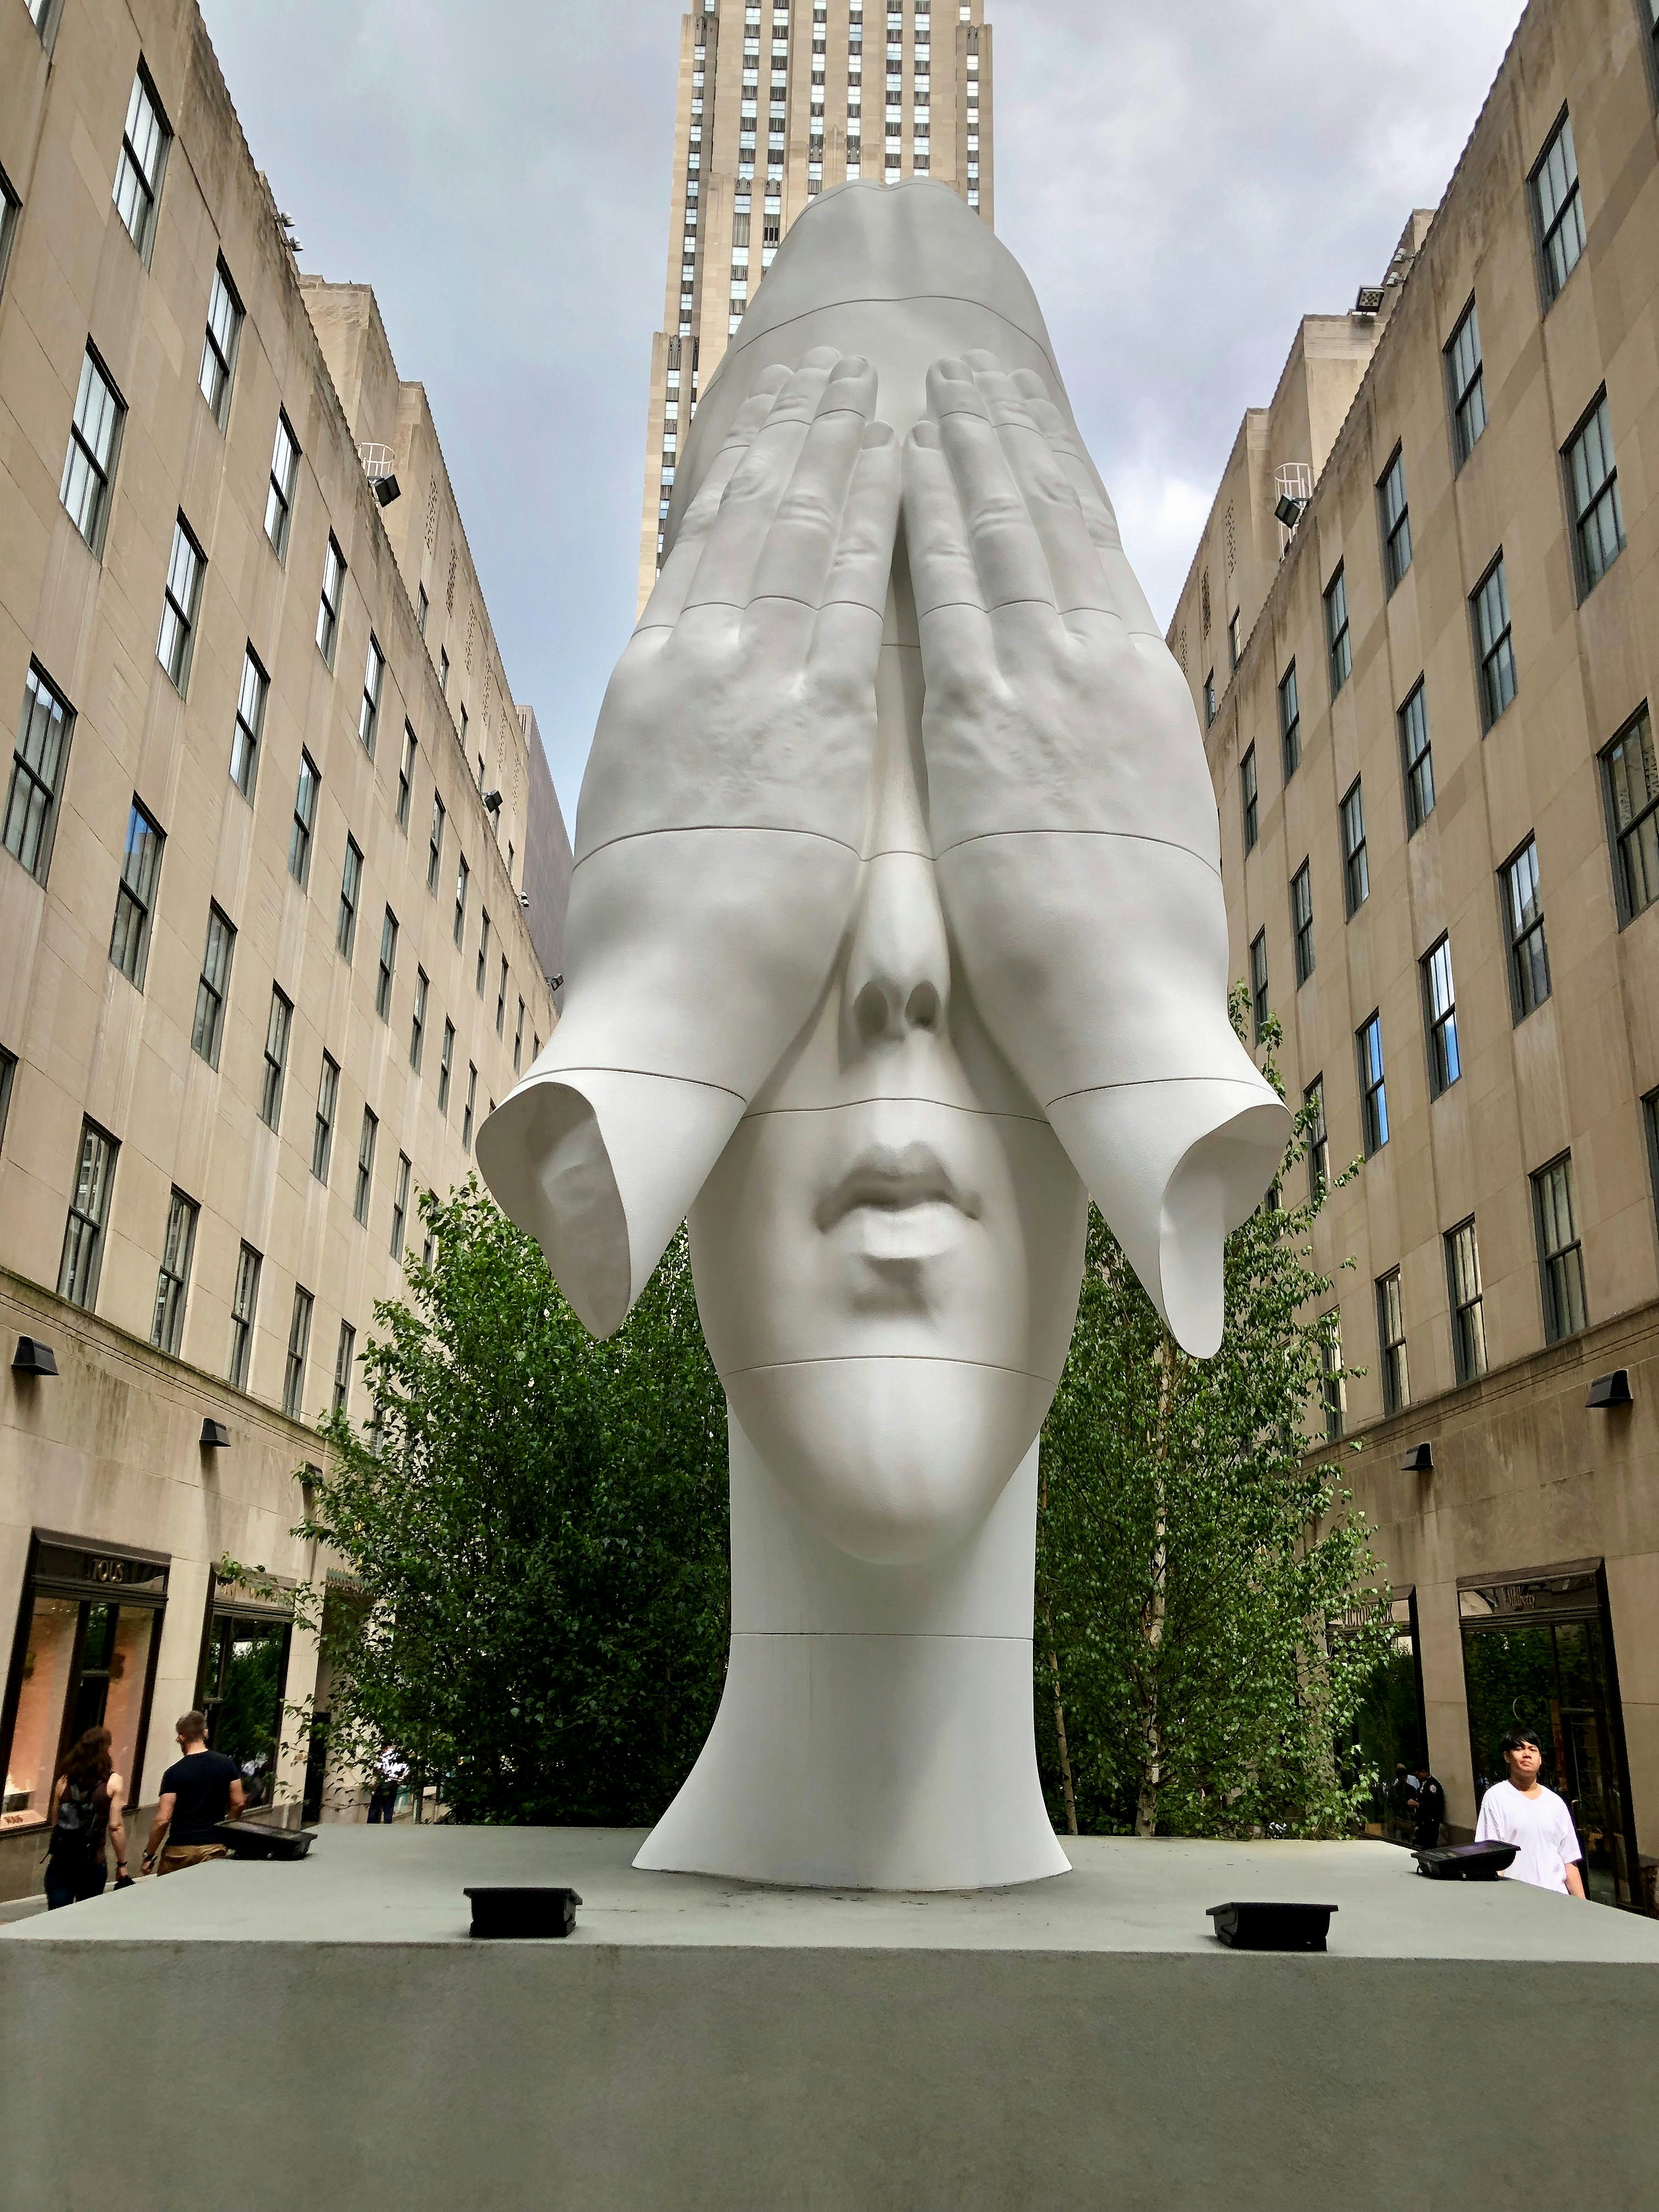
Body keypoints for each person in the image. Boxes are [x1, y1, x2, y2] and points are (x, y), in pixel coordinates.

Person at [1474, 1726, 1587, 1899]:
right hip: (1518, 1900)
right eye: (1519, 1749)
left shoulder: (1555, 1803)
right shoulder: (1496, 1798)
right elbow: (1492, 1860)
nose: (1527, 1754)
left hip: (1558, 1899)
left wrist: (1583, 1906)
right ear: (1507, 1756)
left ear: (1540, 1759)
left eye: (1532, 1749)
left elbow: (1568, 1861)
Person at [141, 1711, 245, 1878]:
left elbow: (163, 1820)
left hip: (179, 1851)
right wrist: (225, 1831)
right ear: (206, 1733)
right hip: (213, 1847)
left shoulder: (173, 1773)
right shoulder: (226, 1764)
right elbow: (239, 1802)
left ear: (181, 1738)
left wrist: (149, 1854)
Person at [43, 1726, 128, 1908]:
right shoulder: (113, 1782)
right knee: (85, 1918)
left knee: (56, 1918)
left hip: (61, 1862)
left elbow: (54, 1821)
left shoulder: (64, 1781)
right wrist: (122, 1863)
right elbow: (116, 1826)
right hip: (92, 1862)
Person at [1408, 1761, 1447, 1848]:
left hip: (1431, 1823)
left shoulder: (1432, 1785)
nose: (1417, 1778)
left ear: (1424, 1772)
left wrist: (1418, 1804)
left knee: (1429, 1847)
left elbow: (1434, 1806)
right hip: (1423, 1823)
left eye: (1418, 1775)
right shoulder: (1423, 1783)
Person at [367, 1748, 408, 1824]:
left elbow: (379, 1770)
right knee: (389, 1809)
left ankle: (371, 1825)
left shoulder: (384, 1756)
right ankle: (388, 1825)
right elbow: (405, 1772)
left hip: (382, 1785)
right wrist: (399, 1780)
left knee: (375, 1808)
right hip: (393, 1785)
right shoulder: (401, 1757)